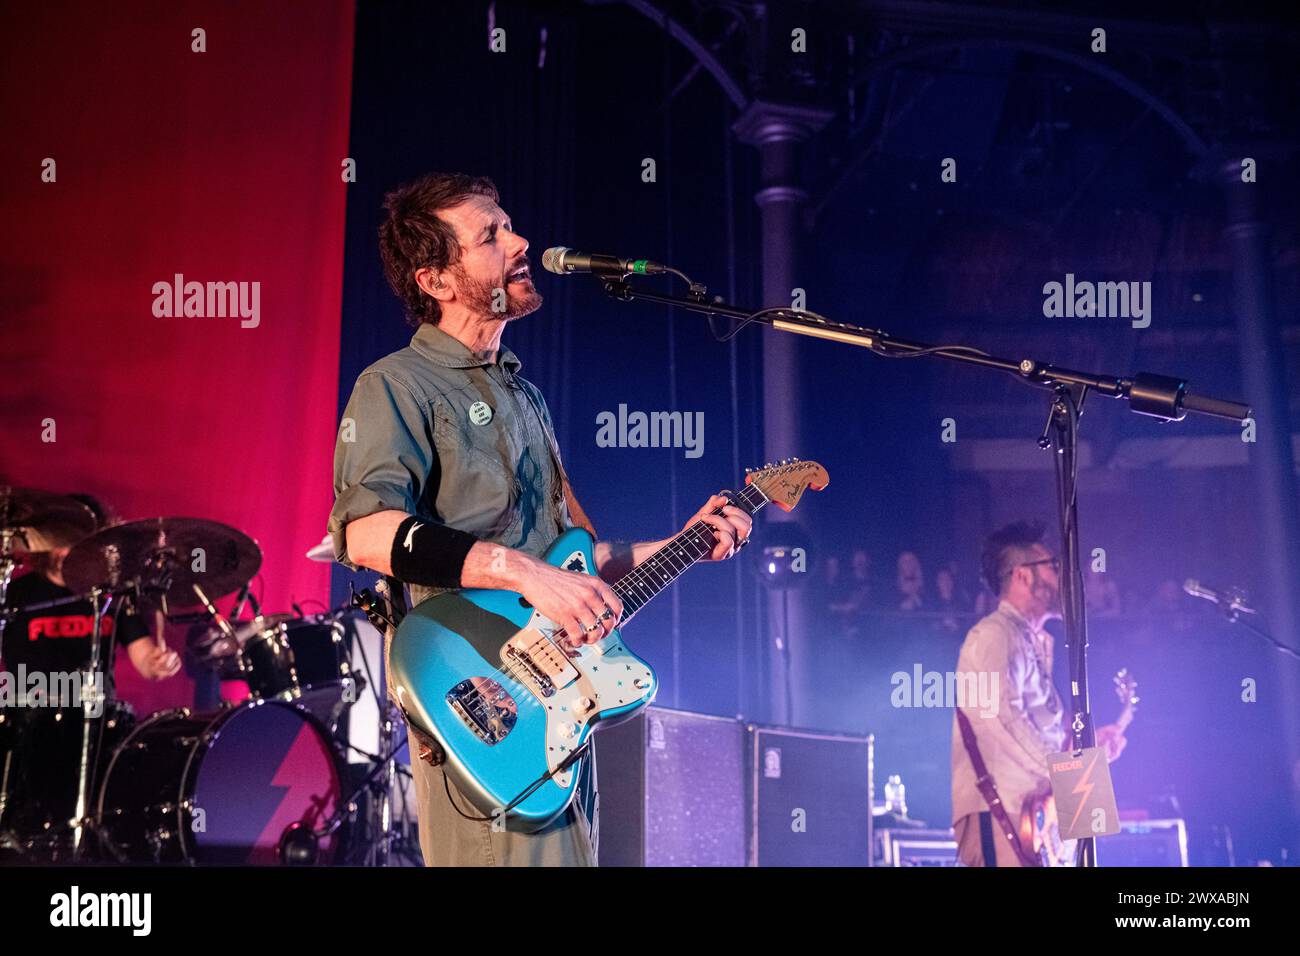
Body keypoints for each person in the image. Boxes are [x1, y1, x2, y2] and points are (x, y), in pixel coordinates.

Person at [328, 172, 751, 867]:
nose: (521, 242)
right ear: (436, 280)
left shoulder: (524, 394)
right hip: (483, 707)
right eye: (491, 235)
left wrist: (682, 544)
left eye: (510, 225)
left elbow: (574, 565)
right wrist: (524, 573)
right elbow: (366, 532)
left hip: (559, 712)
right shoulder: (396, 384)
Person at [950, 520, 1126, 866]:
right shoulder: (992, 635)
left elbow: (1035, 727)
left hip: (1036, 811)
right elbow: (1003, 718)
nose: (1062, 576)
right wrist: (1069, 770)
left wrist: (1083, 747)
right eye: (1052, 566)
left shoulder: (1037, 641)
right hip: (1004, 808)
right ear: (1021, 575)